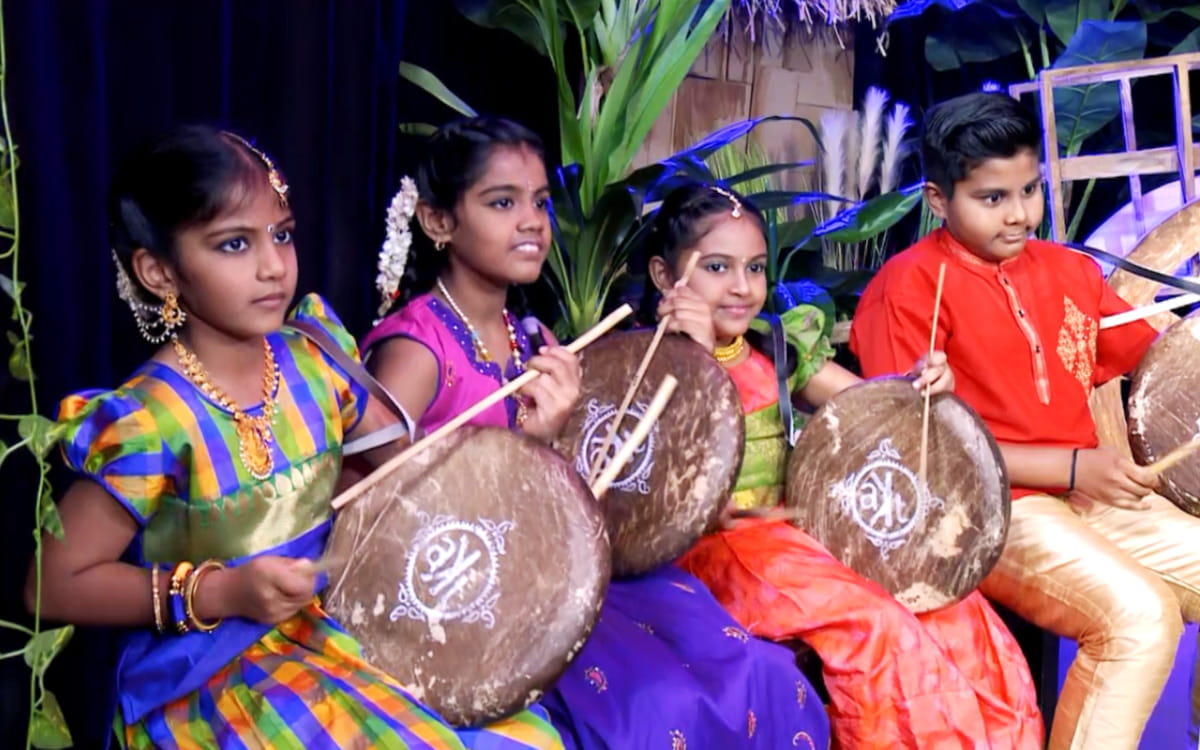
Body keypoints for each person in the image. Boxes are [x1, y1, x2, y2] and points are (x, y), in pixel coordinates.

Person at [27, 125, 563, 749]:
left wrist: (533, 439)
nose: (272, 266)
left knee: (527, 736)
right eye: (234, 244)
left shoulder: (315, 357)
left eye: (281, 234)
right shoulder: (150, 420)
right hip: (218, 674)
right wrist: (223, 591)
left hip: (339, 623)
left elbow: (412, 470)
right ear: (159, 272)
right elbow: (51, 585)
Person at [363, 117, 830, 750]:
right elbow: (383, 521)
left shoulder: (532, 338)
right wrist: (536, 444)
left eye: (539, 203)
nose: (532, 222)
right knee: (655, 706)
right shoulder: (417, 350)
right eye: (502, 203)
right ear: (438, 221)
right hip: (475, 602)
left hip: (558, 571)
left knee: (760, 672)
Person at [851, 90, 1200, 749]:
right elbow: (913, 449)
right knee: (1139, 616)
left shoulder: (1070, 271)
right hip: (982, 512)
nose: (1019, 215)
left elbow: (1159, 361)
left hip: (1089, 497)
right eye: (993, 198)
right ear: (937, 199)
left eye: (1029, 191)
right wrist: (1071, 467)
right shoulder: (908, 288)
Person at [643, 180, 1043, 748]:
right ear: (665, 276)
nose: (742, 287)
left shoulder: (776, 347)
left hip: (803, 531)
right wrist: (699, 352)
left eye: (754, 268)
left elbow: (873, 406)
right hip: (721, 551)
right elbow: (675, 473)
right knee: (874, 626)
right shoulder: (642, 364)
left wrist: (922, 384)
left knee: (952, 609)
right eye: (716, 268)